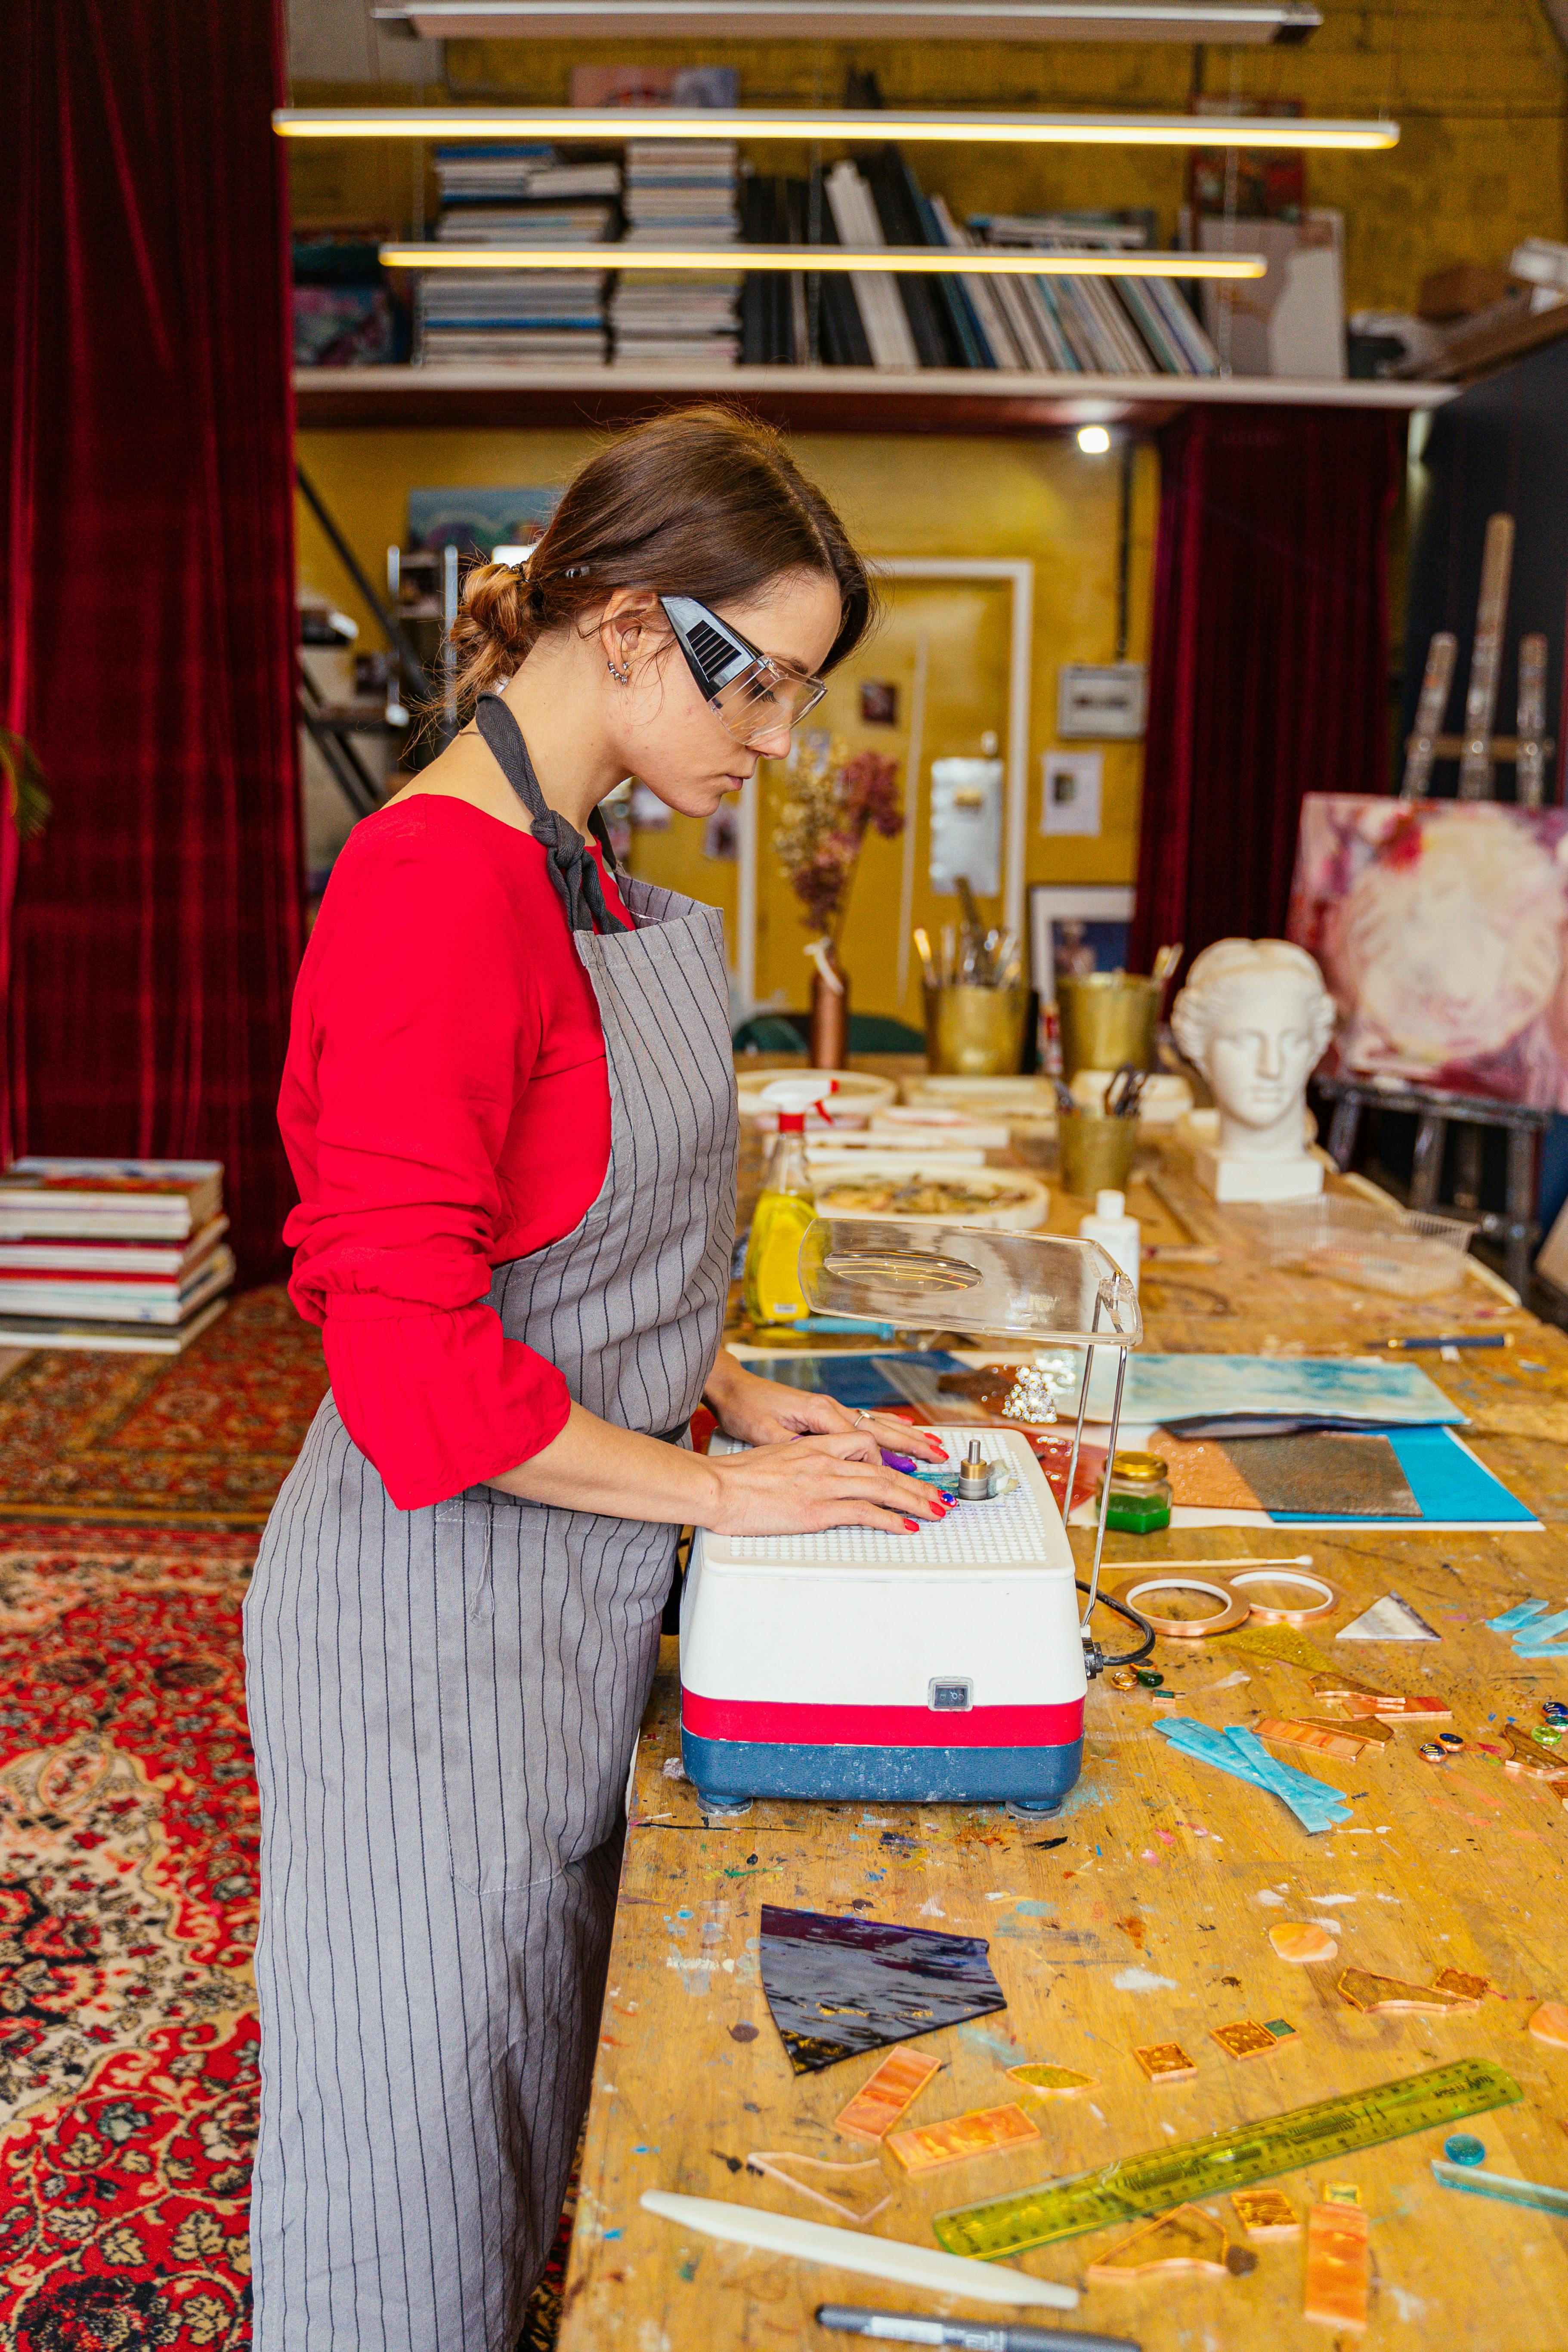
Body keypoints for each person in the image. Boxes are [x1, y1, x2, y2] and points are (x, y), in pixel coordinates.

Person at [243, 407, 950, 2351]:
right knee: (408, 2182)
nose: (780, 740)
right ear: (638, 624)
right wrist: (726, 1497)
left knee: (527, 2098)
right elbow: (405, 1359)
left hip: (558, 1582)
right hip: (422, 1630)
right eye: (772, 685)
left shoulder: (585, 871)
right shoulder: (432, 885)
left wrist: (718, 1383)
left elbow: (561, 1214)